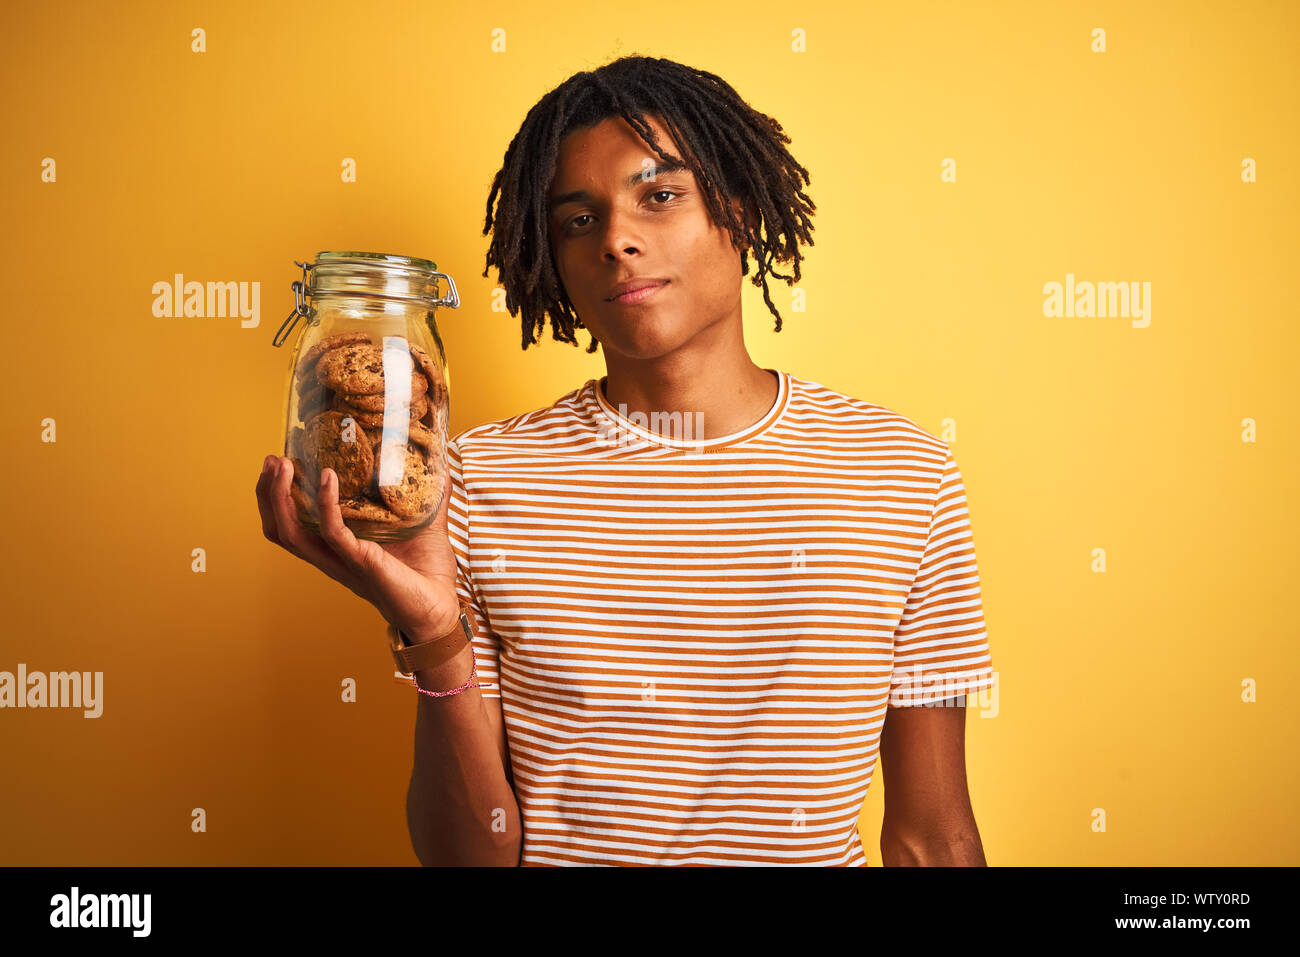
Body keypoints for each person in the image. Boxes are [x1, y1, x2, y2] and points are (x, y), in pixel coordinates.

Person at [256, 55, 995, 866]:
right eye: (579, 220)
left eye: (660, 196)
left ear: (739, 210)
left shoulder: (903, 474)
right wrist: (432, 635)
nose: (617, 240)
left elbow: (932, 835)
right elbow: (473, 858)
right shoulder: (471, 482)